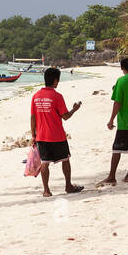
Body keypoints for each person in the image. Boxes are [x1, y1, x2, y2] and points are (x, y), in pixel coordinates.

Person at [30, 66, 83, 197]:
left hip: (41, 136)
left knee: (45, 163)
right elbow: (65, 116)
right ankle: (68, 186)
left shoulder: (36, 96)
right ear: (55, 80)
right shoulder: (57, 96)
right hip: (57, 136)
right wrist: (74, 109)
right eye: (58, 80)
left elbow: (32, 117)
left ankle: (46, 190)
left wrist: (33, 135)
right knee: (65, 160)